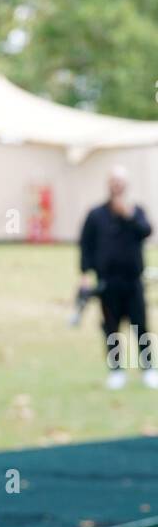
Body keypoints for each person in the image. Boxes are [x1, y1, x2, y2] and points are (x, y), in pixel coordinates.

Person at [79, 165, 156, 390]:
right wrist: (85, 274)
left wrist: (128, 215)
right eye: (114, 180)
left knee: (141, 326)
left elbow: (147, 230)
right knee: (111, 328)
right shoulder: (96, 215)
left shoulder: (136, 211)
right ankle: (116, 371)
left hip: (133, 282)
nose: (117, 185)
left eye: (121, 180)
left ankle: (149, 368)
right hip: (108, 283)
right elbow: (86, 245)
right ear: (108, 183)